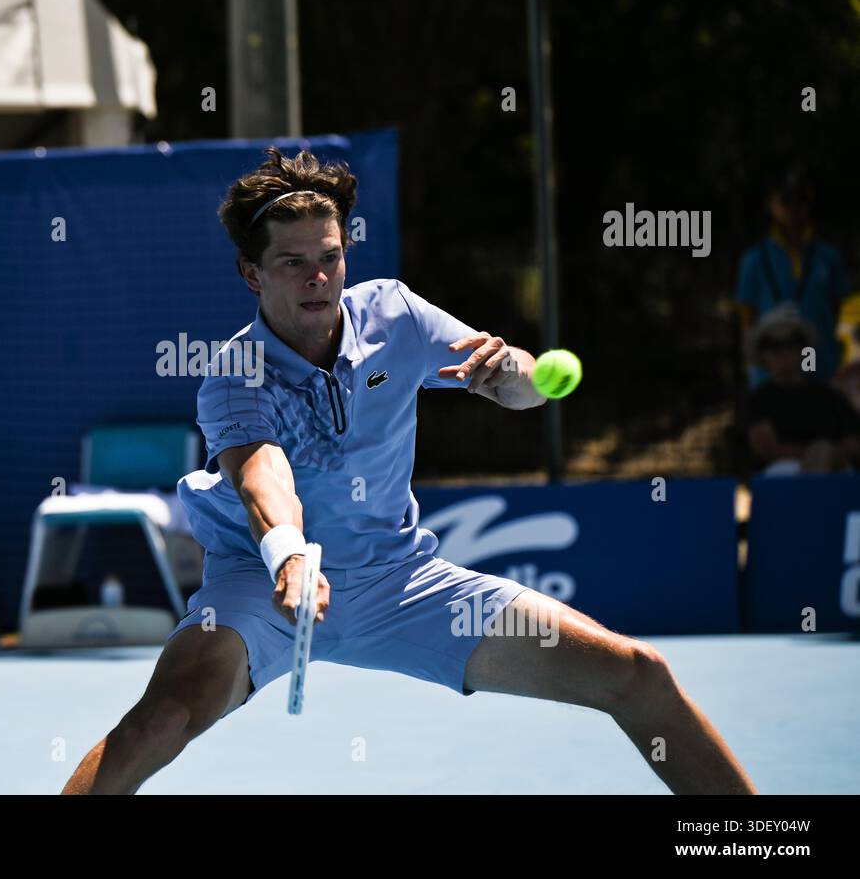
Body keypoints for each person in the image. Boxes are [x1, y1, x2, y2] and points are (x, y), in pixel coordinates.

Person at [63, 148, 757, 794]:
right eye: (292, 262)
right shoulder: (233, 376)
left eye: (330, 257)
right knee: (164, 717)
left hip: (402, 582)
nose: (317, 277)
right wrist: (290, 558)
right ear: (251, 273)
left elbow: (515, 382)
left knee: (638, 675)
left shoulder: (395, 315)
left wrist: (514, 373)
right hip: (260, 584)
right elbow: (262, 477)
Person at [735, 166, 850, 388]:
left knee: (815, 409)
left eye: (802, 200)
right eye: (786, 200)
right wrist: (752, 370)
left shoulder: (828, 256)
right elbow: (747, 321)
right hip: (771, 368)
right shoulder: (754, 260)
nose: (794, 208)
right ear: (771, 204)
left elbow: (839, 312)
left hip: (819, 363)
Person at [746, 304, 860, 475]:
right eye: (774, 345)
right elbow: (766, 449)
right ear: (762, 354)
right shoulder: (759, 399)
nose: (784, 352)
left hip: (836, 472)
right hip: (782, 476)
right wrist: (816, 453)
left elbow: (854, 442)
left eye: (792, 343)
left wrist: (827, 454)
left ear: (804, 349)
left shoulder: (829, 396)